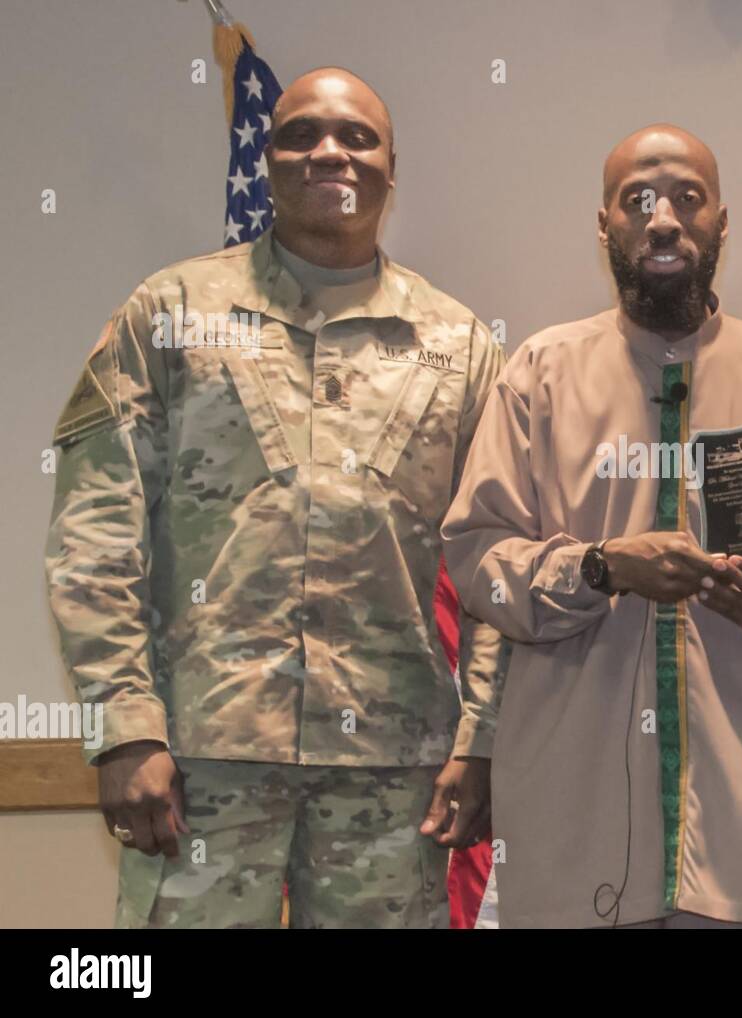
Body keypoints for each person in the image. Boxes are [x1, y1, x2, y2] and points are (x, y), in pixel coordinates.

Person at [44, 67, 505, 928]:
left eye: (356, 137)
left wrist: (483, 736)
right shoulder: (171, 313)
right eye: (301, 135)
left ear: (390, 168)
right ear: (268, 161)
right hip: (199, 759)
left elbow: (491, 564)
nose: (329, 151)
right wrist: (126, 726)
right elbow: (98, 532)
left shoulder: (461, 345)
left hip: (395, 766)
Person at [441, 124, 742, 927]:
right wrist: (601, 568)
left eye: (686, 198)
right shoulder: (541, 374)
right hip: (575, 833)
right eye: (638, 200)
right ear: (605, 226)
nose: (662, 217)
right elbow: (478, 558)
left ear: (721, 224)